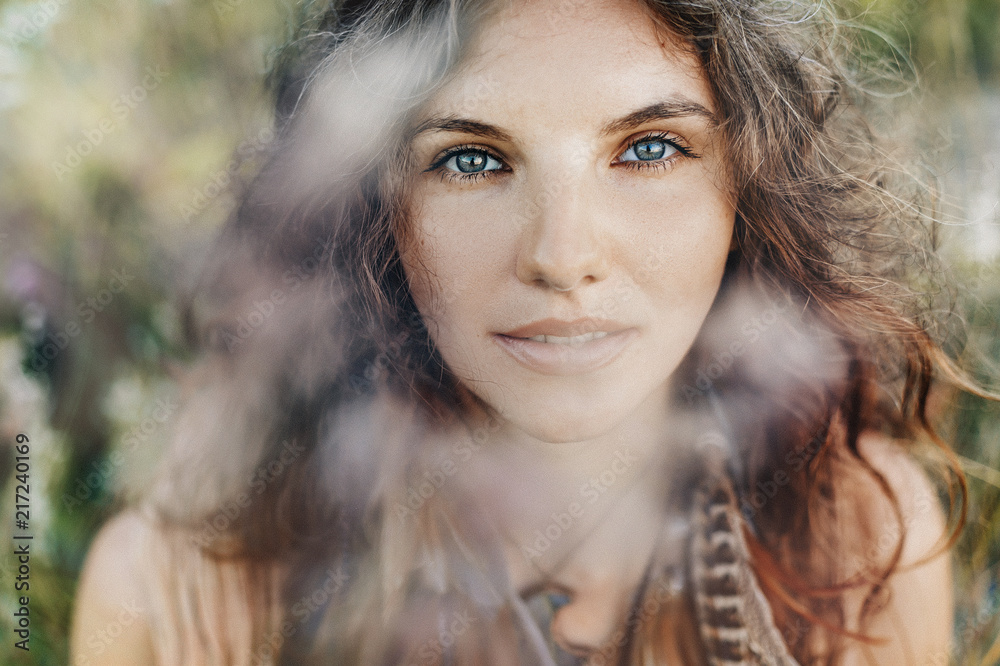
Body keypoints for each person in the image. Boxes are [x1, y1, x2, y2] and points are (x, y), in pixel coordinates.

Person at [70, 0, 970, 663]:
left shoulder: (860, 546)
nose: (562, 254)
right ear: (372, 211)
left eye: (649, 148)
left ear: (755, 183)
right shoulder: (174, 600)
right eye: (472, 159)